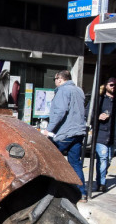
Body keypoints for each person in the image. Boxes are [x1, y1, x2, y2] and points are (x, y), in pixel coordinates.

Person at [42, 70, 87, 200]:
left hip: (65, 133)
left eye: (55, 79)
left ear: (60, 79)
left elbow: (60, 112)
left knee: (49, 159)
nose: (55, 82)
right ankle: (81, 193)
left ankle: (48, 192)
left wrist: (48, 129)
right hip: (78, 132)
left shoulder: (63, 90)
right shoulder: (79, 91)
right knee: (75, 163)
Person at [89, 77, 116, 193]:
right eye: (111, 84)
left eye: (115, 85)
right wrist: (98, 117)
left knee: (108, 159)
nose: (113, 87)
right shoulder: (99, 99)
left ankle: (101, 178)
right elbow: (88, 113)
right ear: (106, 86)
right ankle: (101, 183)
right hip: (101, 134)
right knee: (103, 158)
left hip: (113, 137)